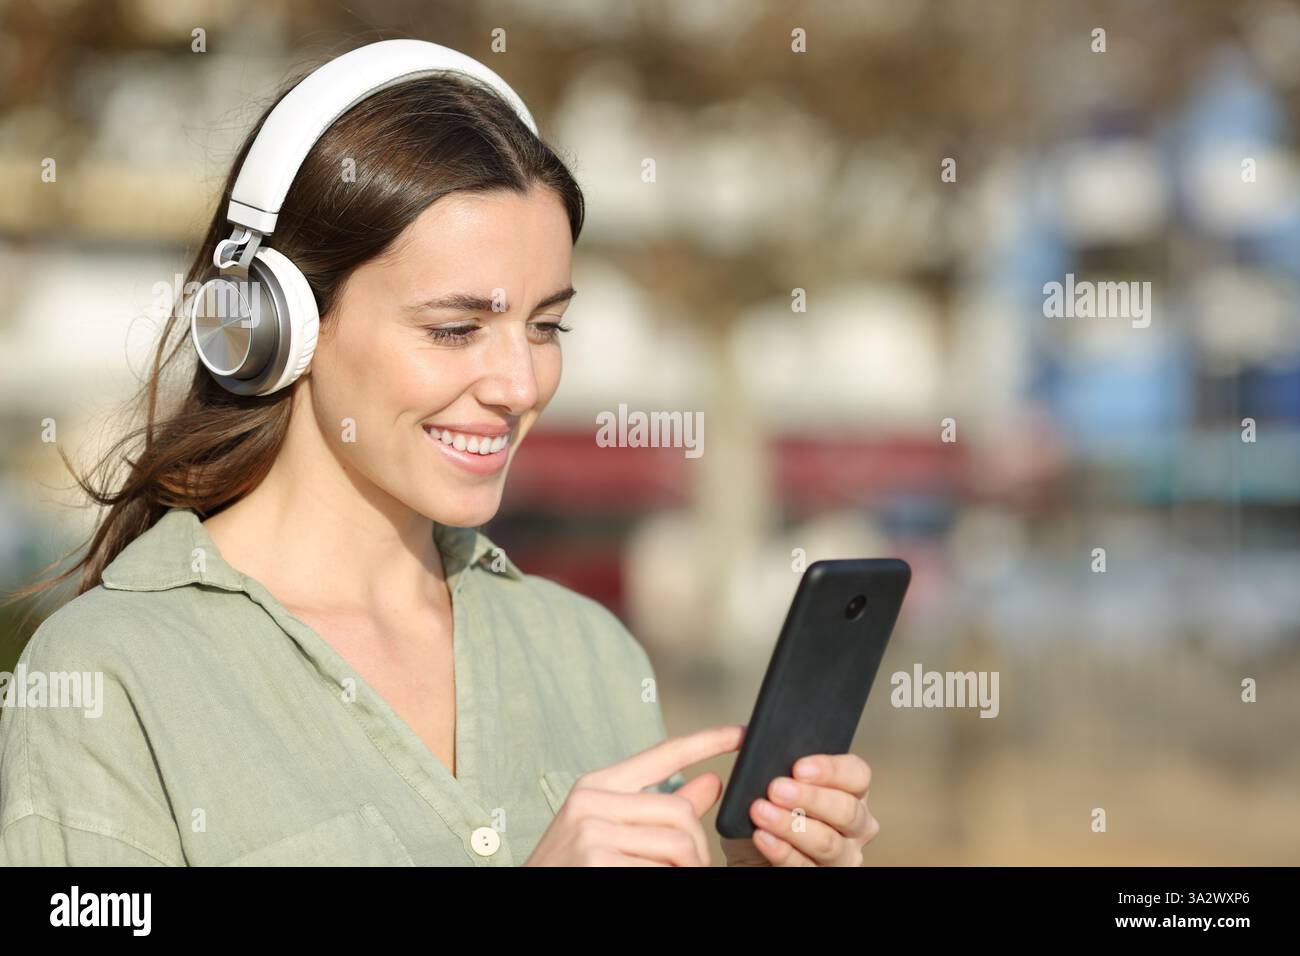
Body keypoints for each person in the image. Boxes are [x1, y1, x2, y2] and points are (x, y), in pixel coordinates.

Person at [0, 41, 878, 866]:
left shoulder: (590, 653)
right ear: (272, 323)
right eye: (456, 329)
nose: (520, 385)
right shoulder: (110, 673)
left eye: (545, 327)